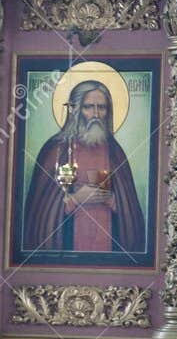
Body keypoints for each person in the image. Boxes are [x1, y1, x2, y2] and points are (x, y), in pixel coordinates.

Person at [22, 80, 146, 257]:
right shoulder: (56, 149)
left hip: (110, 251)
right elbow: (39, 212)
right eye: (89, 107)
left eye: (102, 108)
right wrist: (75, 199)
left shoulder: (115, 152)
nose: (96, 114)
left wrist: (113, 201)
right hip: (67, 248)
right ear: (76, 110)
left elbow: (130, 211)